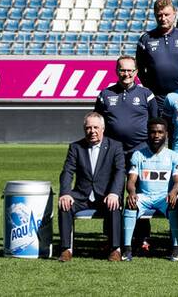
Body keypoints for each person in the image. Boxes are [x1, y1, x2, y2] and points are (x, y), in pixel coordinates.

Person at [57, 112, 125, 262]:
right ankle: (66, 249)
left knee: (115, 204)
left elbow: (120, 172)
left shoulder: (115, 146)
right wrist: (65, 193)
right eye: (88, 128)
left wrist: (114, 193)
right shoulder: (76, 147)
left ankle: (115, 249)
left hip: (105, 196)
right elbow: (67, 172)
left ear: (103, 129)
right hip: (82, 196)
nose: (92, 131)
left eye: (95, 127)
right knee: (64, 204)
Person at [121, 118, 178, 261]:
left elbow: (177, 181)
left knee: (174, 203)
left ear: (166, 134)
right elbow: (131, 180)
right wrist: (132, 193)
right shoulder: (138, 155)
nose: (156, 135)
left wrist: (174, 192)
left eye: (160, 132)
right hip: (144, 197)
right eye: (153, 132)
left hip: (164, 197)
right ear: (148, 134)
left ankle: (175, 248)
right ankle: (127, 249)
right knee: (130, 203)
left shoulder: (174, 156)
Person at [94, 56, 159, 156]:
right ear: (116, 71)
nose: (126, 74)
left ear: (136, 72)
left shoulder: (147, 94)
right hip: (113, 150)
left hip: (142, 149)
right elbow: (97, 121)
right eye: (122, 70)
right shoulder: (105, 94)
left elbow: (155, 122)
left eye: (130, 70)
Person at [136, 0, 178, 103]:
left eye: (166, 14)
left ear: (174, 14)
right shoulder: (145, 39)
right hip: (157, 97)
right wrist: (150, 88)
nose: (163, 18)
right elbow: (140, 68)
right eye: (159, 15)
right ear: (155, 16)